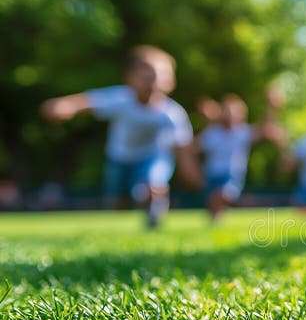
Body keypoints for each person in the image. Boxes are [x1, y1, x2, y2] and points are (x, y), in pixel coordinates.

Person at [40, 45, 199, 228]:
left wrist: (190, 172)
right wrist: (64, 106)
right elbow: (87, 102)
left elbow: (183, 147)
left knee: (153, 183)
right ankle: (133, 206)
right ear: (130, 79)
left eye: (158, 79)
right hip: (120, 157)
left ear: (170, 82)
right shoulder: (121, 98)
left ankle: (155, 208)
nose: (152, 84)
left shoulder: (172, 114)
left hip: (152, 156)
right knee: (118, 203)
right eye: (146, 78)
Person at [193, 91, 285, 221]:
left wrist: (272, 108)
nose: (230, 116)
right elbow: (193, 148)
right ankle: (216, 221)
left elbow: (264, 129)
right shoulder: (212, 132)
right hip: (211, 175)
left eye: (234, 112)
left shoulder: (243, 132)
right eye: (227, 111)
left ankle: (222, 213)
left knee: (221, 195)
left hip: (231, 176)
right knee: (215, 207)